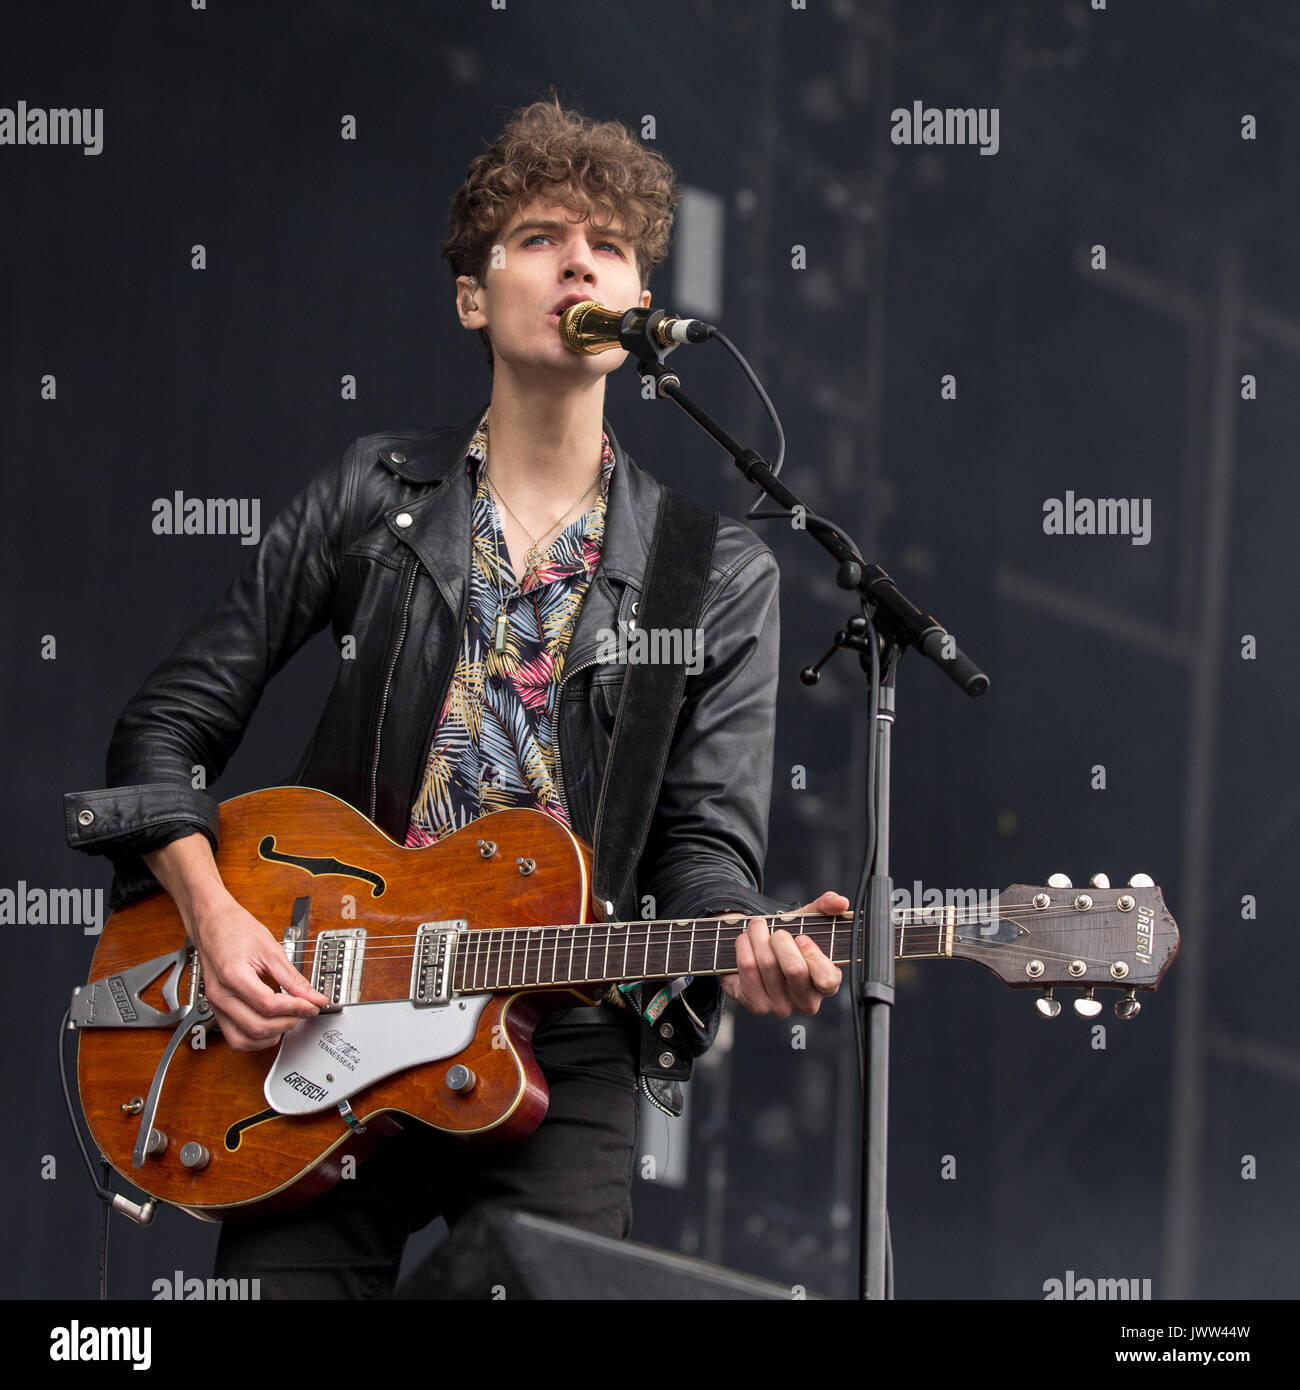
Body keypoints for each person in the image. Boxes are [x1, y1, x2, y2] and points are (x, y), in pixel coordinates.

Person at [65, 96, 845, 1297]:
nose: (579, 258)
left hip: (562, 1038)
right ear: (473, 296)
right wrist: (217, 918)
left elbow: (702, 848)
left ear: (637, 308)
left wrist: (742, 942)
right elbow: (159, 731)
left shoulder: (715, 568)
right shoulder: (373, 494)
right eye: (539, 235)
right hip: (320, 1008)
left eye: (612, 246)